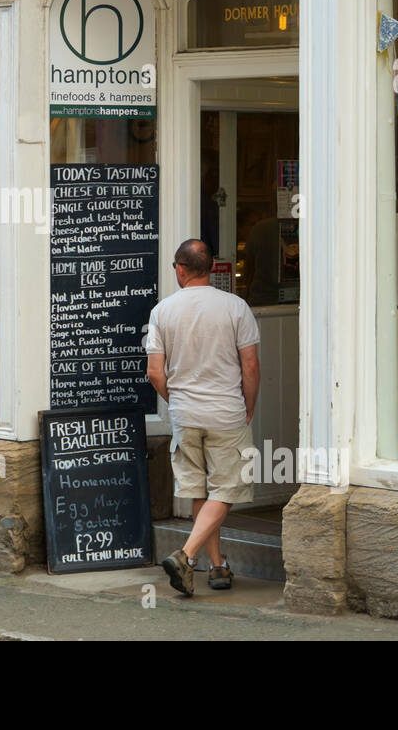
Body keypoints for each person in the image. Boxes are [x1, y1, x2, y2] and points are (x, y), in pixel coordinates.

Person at [147, 238, 260, 595]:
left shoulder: (162, 311)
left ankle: (217, 566)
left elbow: (154, 372)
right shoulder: (236, 307)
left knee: (200, 491)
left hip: (186, 415)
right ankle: (187, 554)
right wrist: (249, 405)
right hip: (226, 413)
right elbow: (250, 365)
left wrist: (176, 400)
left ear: (180, 269)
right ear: (210, 267)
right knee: (225, 489)